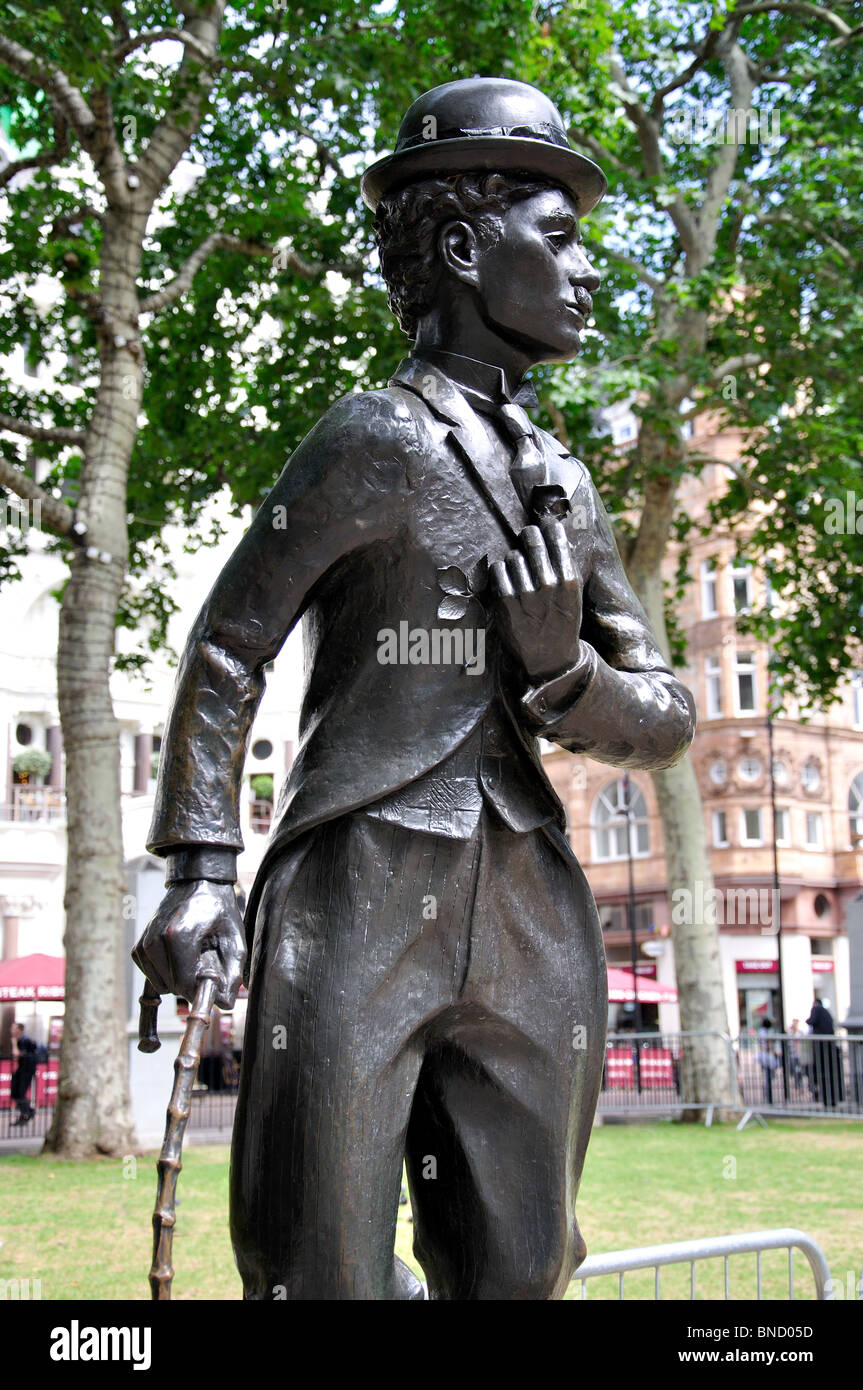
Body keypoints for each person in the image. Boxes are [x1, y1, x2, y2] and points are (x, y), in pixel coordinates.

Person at [133, 77, 695, 1300]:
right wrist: (200, 868)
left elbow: (662, 714)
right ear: (458, 245)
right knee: (314, 1262)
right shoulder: (371, 438)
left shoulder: (571, 483)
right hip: (360, 886)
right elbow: (229, 641)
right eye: (556, 239)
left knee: (522, 1259)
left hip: (528, 906)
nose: (586, 272)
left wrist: (563, 668)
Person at [806, 993, 844, 1108]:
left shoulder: (817, 1009)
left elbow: (810, 1021)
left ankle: (827, 1099)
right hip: (829, 1048)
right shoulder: (826, 1012)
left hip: (823, 1048)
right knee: (829, 1073)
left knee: (823, 1073)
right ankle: (832, 1099)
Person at [10, 1022, 37, 1126]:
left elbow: (16, 1054)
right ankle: (26, 1113)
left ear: (19, 1030)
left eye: (13, 1028)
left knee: (20, 1093)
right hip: (21, 1070)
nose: (11, 1030)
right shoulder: (20, 1040)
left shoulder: (25, 1041)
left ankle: (28, 1112)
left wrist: (13, 1043)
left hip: (26, 1071)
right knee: (15, 1093)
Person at [756, 1017, 779, 1106]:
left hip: (765, 1055)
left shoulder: (763, 1032)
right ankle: (768, 1097)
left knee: (768, 1076)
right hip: (767, 1056)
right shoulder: (765, 1032)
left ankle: (768, 1095)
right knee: (768, 1076)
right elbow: (768, 1043)